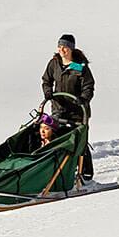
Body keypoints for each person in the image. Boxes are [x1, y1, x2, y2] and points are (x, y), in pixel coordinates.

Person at [41, 33, 95, 180]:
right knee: (56, 138)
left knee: (79, 142)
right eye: (59, 47)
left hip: (78, 112)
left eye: (65, 47)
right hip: (59, 108)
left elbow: (88, 86)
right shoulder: (54, 63)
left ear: (71, 49)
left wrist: (83, 99)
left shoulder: (80, 67)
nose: (62, 50)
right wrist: (48, 92)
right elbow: (46, 80)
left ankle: (86, 173)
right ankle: (57, 172)